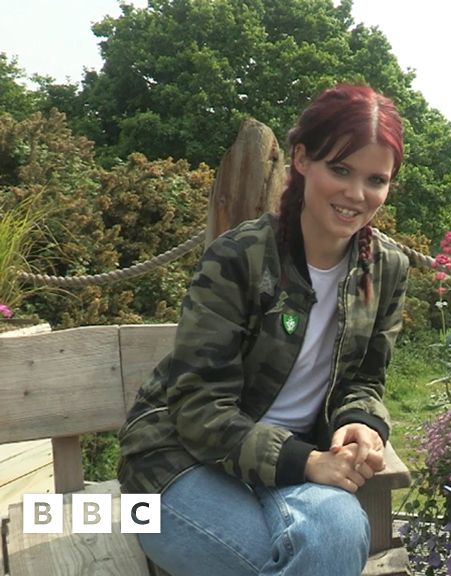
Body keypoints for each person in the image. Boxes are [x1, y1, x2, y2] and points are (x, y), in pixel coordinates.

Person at [117, 83, 409, 576]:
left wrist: (361, 424)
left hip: (297, 465)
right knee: (306, 560)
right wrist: (307, 463)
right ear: (301, 159)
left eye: (376, 179)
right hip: (176, 467)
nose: (357, 195)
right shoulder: (239, 258)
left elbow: (365, 380)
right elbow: (198, 409)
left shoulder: (386, 269)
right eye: (340, 169)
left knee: (339, 534)